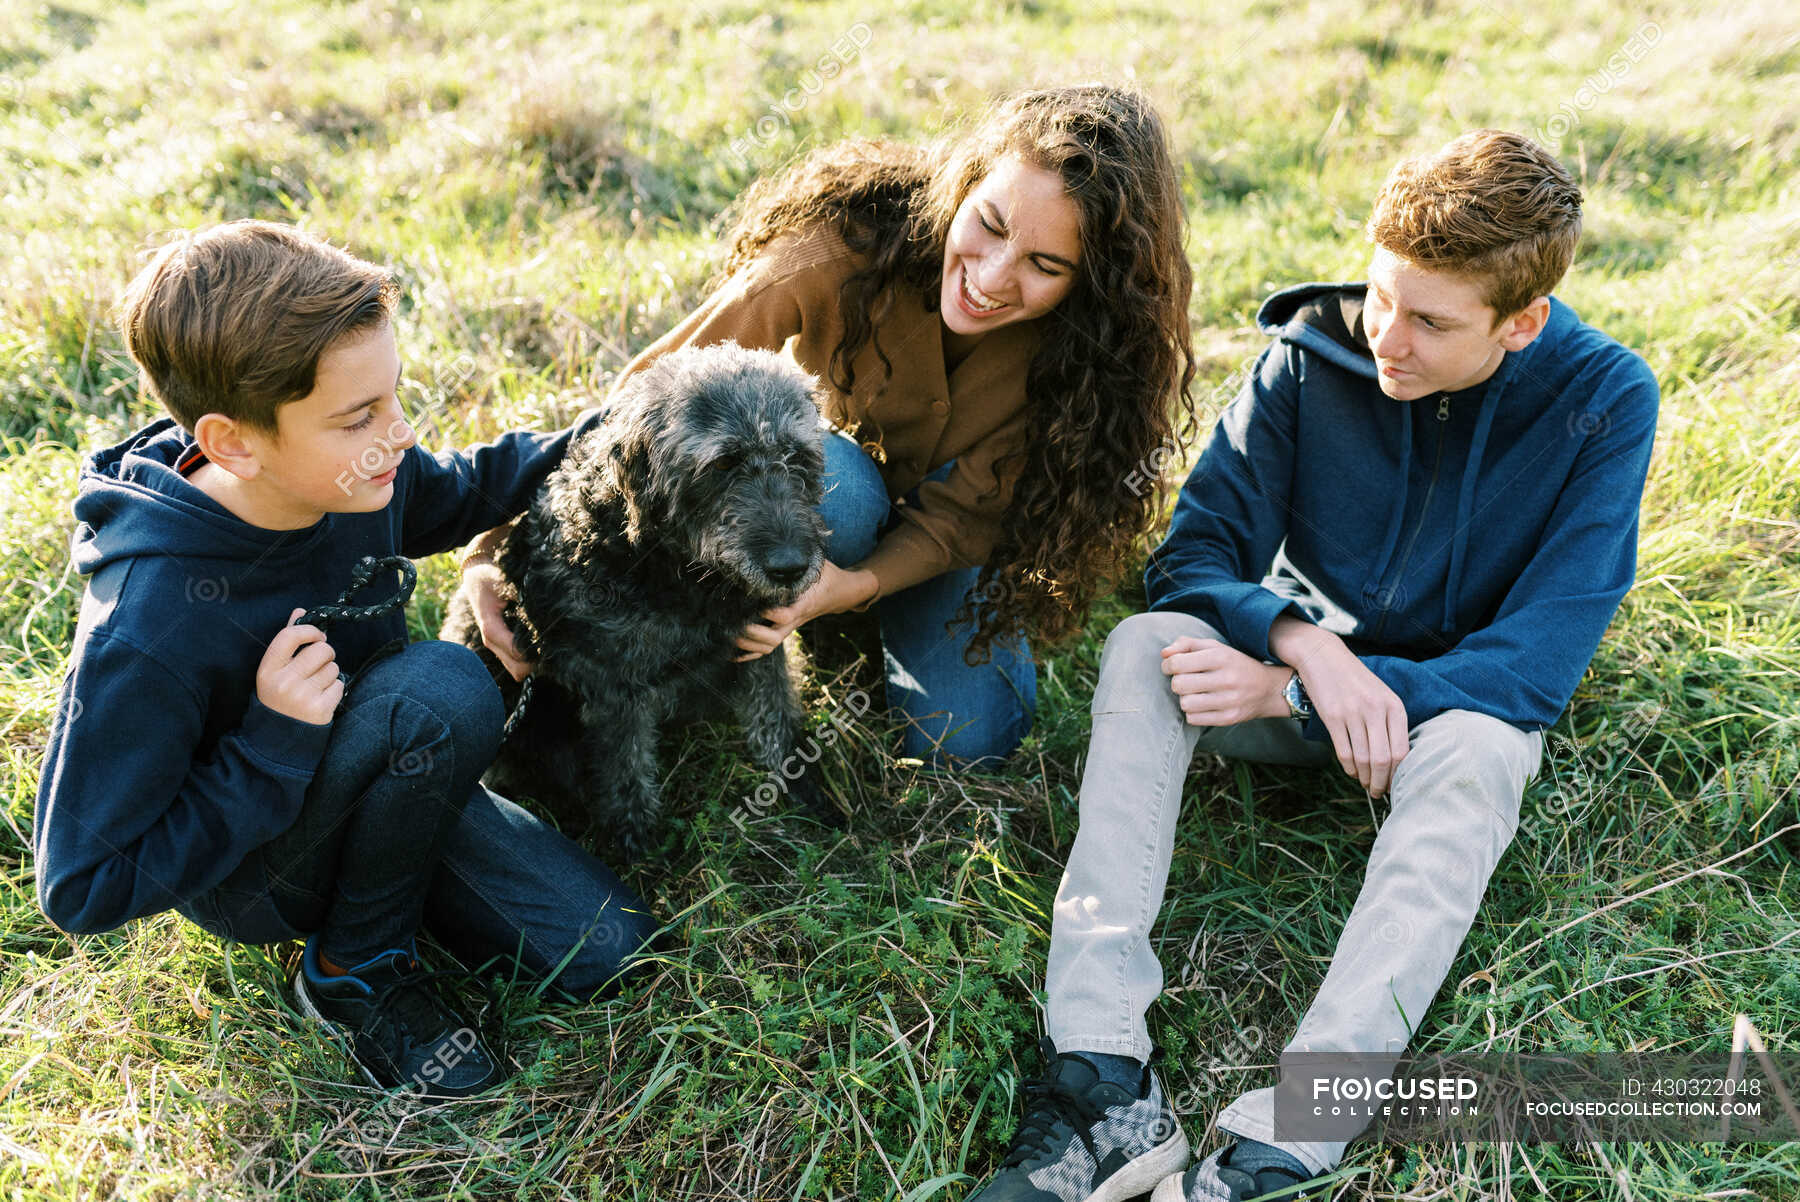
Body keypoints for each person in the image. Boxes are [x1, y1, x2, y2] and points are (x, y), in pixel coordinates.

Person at [967, 130, 1659, 1202]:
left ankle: (1299, 1124)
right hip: (1301, 681)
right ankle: (1100, 1078)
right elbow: (1191, 556)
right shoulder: (1310, 354)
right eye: (1383, 296)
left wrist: (1303, 690)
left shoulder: (1606, 400)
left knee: (1485, 748)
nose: (1389, 337)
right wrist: (1301, 650)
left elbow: (1535, 667)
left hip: (1439, 723)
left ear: (1520, 324)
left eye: (1433, 321)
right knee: (1144, 647)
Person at [33, 220, 658, 1099]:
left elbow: (470, 489)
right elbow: (80, 885)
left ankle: (401, 856)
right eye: (359, 415)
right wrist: (268, 746)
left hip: (395, 766)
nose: (397, 434)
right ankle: (352, 969)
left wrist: (630, 423)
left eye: (393, 397)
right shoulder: (147, 626)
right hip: (264, 866)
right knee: (439, 685)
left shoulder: (357, 472)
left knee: (606, 949)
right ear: (236, 443)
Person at [462, 85, 1196, 767]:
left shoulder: (1085, 362)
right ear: (963, 184)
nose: (993, 276)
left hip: (942, 548)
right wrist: (494, 547)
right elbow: (645, 401)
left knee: (971, 743)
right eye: (990, 224)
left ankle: (838, 614)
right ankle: (781, 597)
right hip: (819, 504)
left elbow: (961, 521)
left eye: (1043, 263)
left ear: (1089, 280)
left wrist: (849, 586)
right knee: (838, 486)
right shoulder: (841, 242)